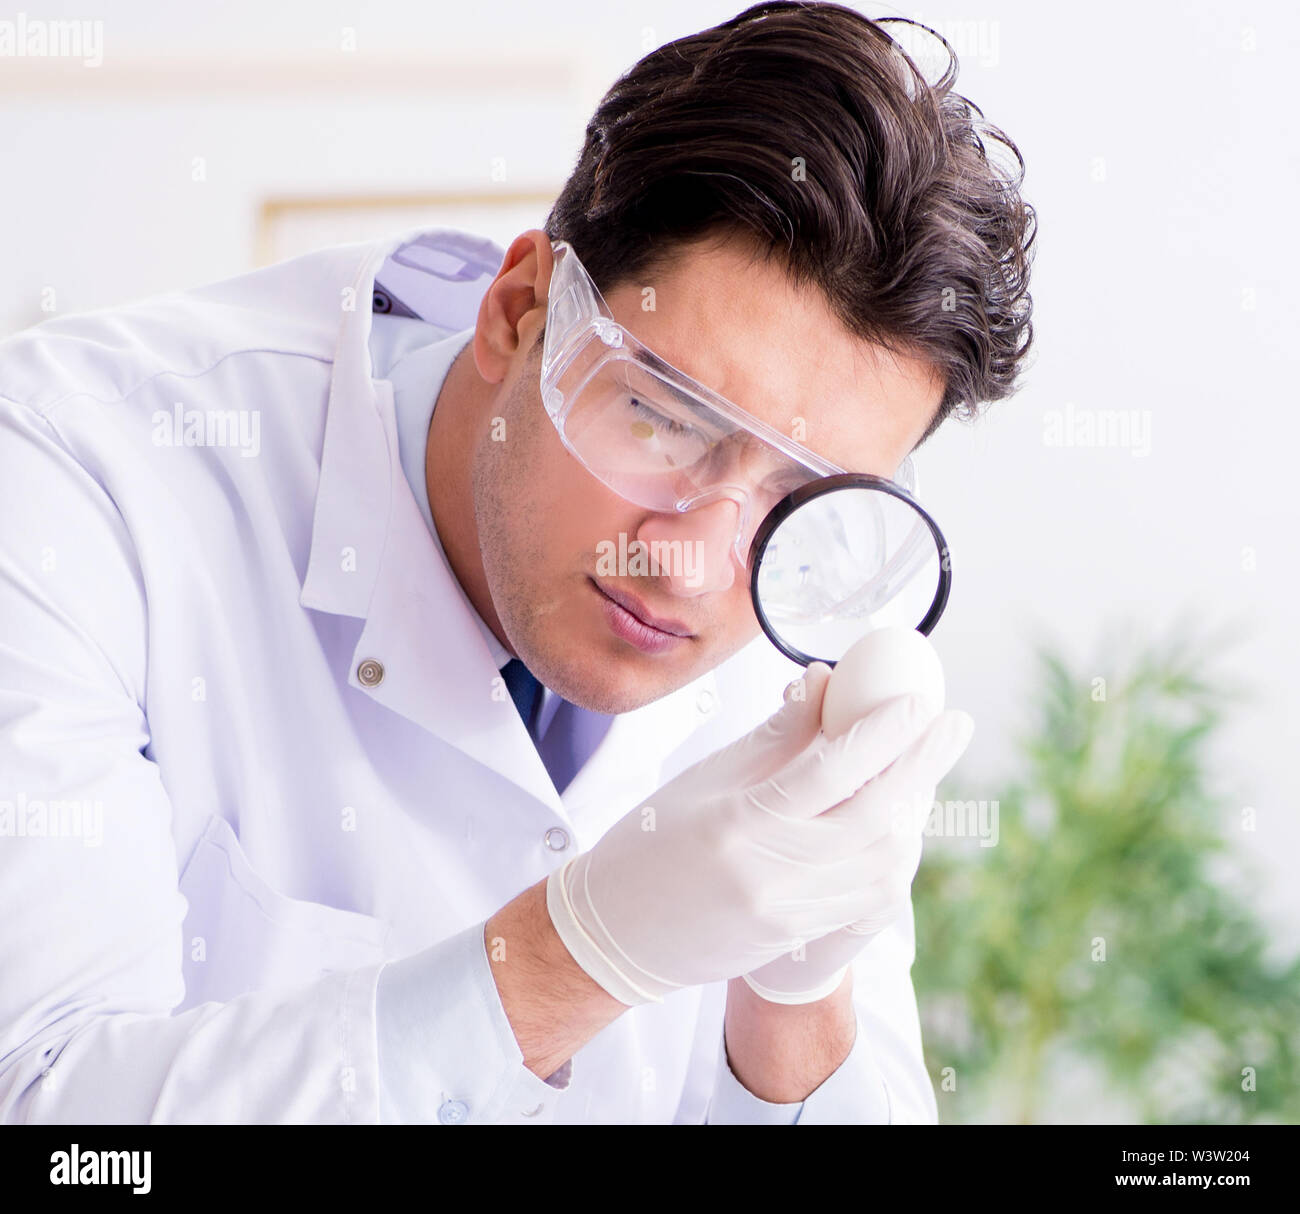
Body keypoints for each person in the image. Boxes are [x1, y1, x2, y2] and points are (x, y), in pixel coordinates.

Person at [0, 1, 1034, 1124]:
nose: (692, 563)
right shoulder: (72, 473)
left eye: (801, 493)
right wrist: (578, 952)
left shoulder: (811, 602)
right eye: (663, 417)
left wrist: (796, 990)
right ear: (521, 307)